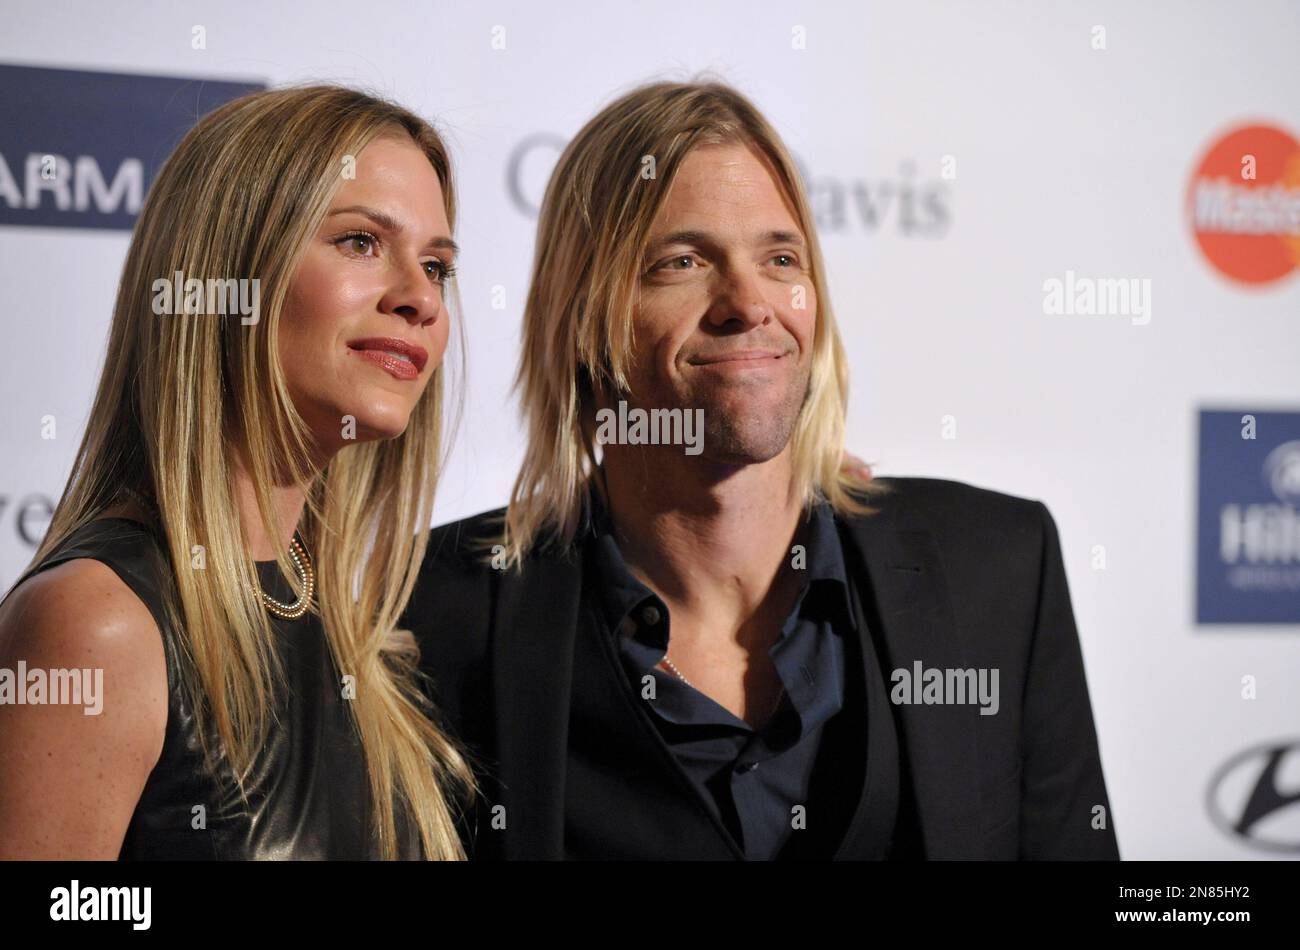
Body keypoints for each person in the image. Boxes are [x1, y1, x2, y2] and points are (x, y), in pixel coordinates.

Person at [404, 78, 1120, 860]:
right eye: (682, 261)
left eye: (781, 258)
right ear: (583, 319)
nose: (750, 302)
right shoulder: (438, 614)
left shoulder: (998, 564)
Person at [0, 85, 474, 860]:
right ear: (228, 276)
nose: (419, 297)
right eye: (360, 242)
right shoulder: (98, 625)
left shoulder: (347, 628)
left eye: (437, 266)